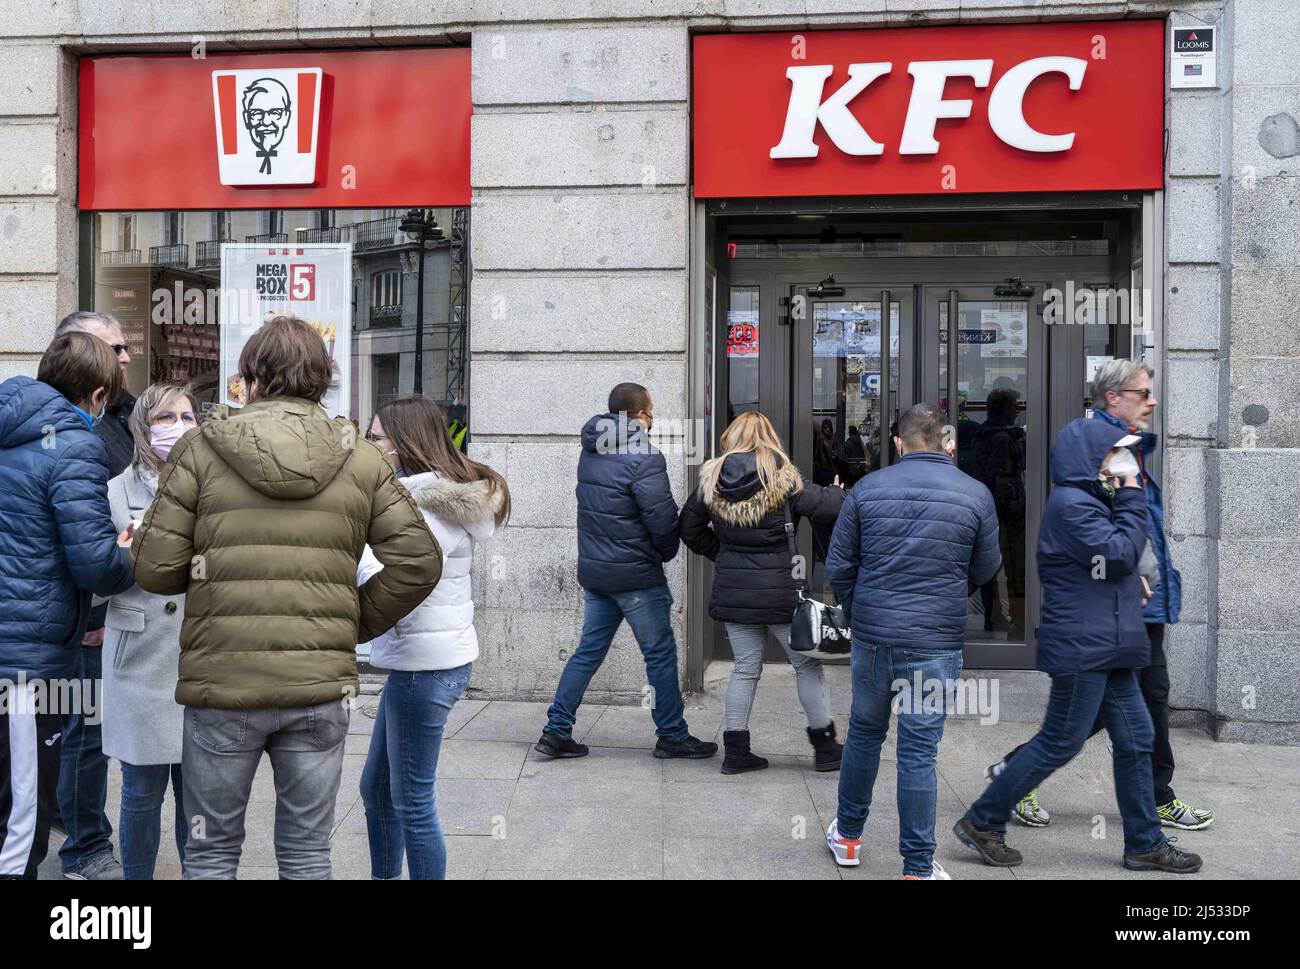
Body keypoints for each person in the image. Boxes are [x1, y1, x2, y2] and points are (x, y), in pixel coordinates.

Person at [129, 315, 443, 880]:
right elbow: (418, 562)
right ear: (323, 379)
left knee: (210, 851)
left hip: (223, 687)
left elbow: (155, 569)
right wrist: (350, 622)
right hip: (318, 688)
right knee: (305, 853)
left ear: (250, 377)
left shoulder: (201, 451)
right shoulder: (362, 457)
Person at [954, 418, 1203, 875]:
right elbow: (1120, 554)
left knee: (1137, 739)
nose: (1124, 463)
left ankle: (1145, 843)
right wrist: (1131, 493)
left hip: (1109, 641)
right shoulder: (1072, 505)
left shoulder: (1091, 500)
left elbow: (1115, 563)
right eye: (1116, 454)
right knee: (1060, 742)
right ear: (1092, 459)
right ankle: (982, 820)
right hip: (1083, 646)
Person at [985, 360, 1211, 832]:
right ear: (1114, 396)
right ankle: (1151, 800)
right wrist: (1137, 580)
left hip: (1137, 599)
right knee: (1123, 709)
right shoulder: (1104, 449)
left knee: (1130, 707)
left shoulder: (1126, 446)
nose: (1151, 401)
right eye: (1143, 392)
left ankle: (1020, 777)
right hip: (1121, 604)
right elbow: (1112, 537)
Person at [824, 403, 1001, 880]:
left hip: (876, 636)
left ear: (898, 444)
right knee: (920, 752)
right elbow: (985, 569)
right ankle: (918, 868)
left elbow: (839, 566)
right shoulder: (975, 494)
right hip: (935, 641)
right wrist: (948, 596)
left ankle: (848, 837)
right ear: (947, 443)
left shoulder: (867, 488)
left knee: (864, 734)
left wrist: (860, 608)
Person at [358, 395, 509, 880]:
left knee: (411, 800)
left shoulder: (418, 506)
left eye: (377, 436)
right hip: (423, 659)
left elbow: (383, 572)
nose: (369, 444)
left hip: (426, 664)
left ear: (404, 444)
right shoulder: (424, 495)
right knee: (378, 789)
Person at [0, 333, 134, 880]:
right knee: (23, 814)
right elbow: (95, 566)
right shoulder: (75, 445)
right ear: (98, 394)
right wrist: (128, 551)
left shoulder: (11, 428)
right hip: (28, 658)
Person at [535, 383, 716, 761]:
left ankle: (555, 731)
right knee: (660, 655)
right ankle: (672, 735)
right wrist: (664, 553)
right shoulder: (645, 457)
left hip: (598, 573)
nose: (652, 420)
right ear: (639, 414)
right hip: (636, 577)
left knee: (587, 652)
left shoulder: (591, 450)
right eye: (650, 413)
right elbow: (661, 518)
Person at [679, 412, 846, 774]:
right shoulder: (781, 476)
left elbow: (688, 528)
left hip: (735, 593)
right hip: (780, 593)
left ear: (731, 438)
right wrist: (836, 490)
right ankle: (826, 748)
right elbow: (831, 508)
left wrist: (721, 553)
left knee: (744, 669)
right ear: (768, 437)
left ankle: (736, 753)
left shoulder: (711, 479)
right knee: (806, 664)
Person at [51, 311, 136, 879]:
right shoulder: (77, 436)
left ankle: (67, 827)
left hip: (101, 611)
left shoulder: (128, 417)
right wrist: (120, 563)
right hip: (83, 613)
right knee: (83, 733)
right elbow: (85, 548)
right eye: (115, 348)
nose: (127, 356)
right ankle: (83, 845)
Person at [101, 383, 198, 879]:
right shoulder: (116, 489)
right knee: (140, 790)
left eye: (187, 416)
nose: (179, 426)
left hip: (197, 659)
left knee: (196, 795)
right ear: (142, 428)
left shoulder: (213, 487)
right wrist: (124, 554)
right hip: (139, 658)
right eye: (166, 417)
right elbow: (94, 578)